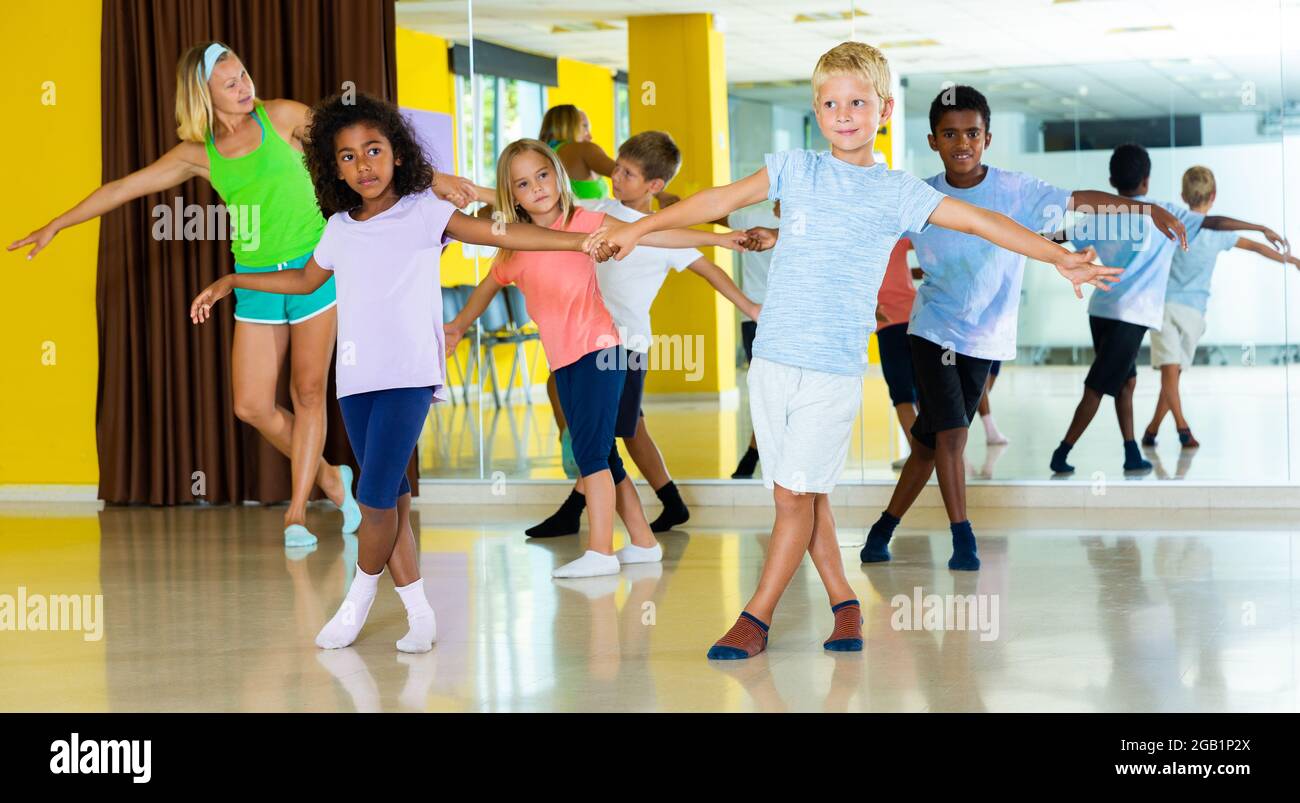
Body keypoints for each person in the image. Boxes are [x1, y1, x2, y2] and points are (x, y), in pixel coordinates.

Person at [605, 42, 1120, 659]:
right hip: (771, 359)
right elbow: (716, 200)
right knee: (800, 491)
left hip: (831, 367)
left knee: (795, 497)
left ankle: (755, 618)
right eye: (829, 102)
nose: (842, 113)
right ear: (815, 110)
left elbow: (985, 222)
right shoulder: (794, 168)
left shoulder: (898, 193)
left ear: (883, 110)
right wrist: (636, 229)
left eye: (857, 102)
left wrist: (1061, 255)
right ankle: (846, 605)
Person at [9, 42, 475, 547]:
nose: (244, 86)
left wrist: (437, 180)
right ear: (203, 95)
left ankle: (297, 513)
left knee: (308, 391)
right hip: (256, 280)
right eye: (230, 83)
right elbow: (123, 187)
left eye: (244, 75)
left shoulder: (281, 118)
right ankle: (328, 478)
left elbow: (362, 147)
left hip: (315, 271)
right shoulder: (199, 154)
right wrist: (56, 224)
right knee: (251, 405)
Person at [190, 94, 614, 650]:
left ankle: (355, 603)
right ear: (331, 167)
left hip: (409, 375)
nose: (363, 166)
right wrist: (232, 282)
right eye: (347, 157)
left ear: (397, 154)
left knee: (373, 498)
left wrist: (579, 240)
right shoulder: (340, 225)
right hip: (357, 381)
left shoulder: (424, 210)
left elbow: (502, 234)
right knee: (393, 496)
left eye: (373, 150)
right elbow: (303, 282)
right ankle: (420, 615)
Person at [863, 85, 1185, 571]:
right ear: (933, 141)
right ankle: (962, 538)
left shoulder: (1016, 190)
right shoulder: (920, 196)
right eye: (950, 134)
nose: (962, 143)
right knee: (952, 436)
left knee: (929, 444)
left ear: (987, 137)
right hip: (931, 330)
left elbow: (1079, 201)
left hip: (985, 338)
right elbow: (865, 236)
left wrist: (1147, 208)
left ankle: (881, 530)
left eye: (972, 132)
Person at [444, 139, 752, 578]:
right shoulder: (513, 245)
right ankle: (643, 542)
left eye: (544, 175)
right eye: (523, 184)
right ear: (512, 193)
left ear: (558, 174)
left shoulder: (587, 220)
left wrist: (722, 239)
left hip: (600, 350)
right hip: (563, 359)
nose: (537, 189)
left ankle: (601, 551)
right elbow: (489, 284)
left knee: (590, 455)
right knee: (604, 454)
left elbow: (656, 232)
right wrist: (457, 325)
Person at [527, 131, 761, 538]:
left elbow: (710, 270)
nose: (616, 176)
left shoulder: (664, 232)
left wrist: (751, 308)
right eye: (617, 167)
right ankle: (670, 502)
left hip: (625, 345)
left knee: (613, 432)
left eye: (628, 173)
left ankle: (575, 510)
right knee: (628, 428)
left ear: (655, 186)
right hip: (584, 340)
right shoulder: (596, 209)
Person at [1048, 144, 1257, 475]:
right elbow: (1212, 221)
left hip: (1101, 311)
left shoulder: (1098, 215)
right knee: (1098, 385)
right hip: (1131, 316)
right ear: (1146, 180)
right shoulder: (1161, 212)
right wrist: (1260, 228)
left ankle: (1132, 451)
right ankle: (1062, 452)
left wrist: (1040, 247)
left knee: (1125, 382)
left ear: (1112, 180)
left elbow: (1055, 237)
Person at [1143, 165, 1295, 449]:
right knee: (1172, 373)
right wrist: (1292, 260)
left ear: (1182, 195)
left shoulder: (1175, 222)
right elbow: (1257, 248)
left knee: (1171, 374)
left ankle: (1152, 430)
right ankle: (1182, 428)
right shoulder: (1219, 234)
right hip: (1190, 311)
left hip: (1166, 306)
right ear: (1214, 195)